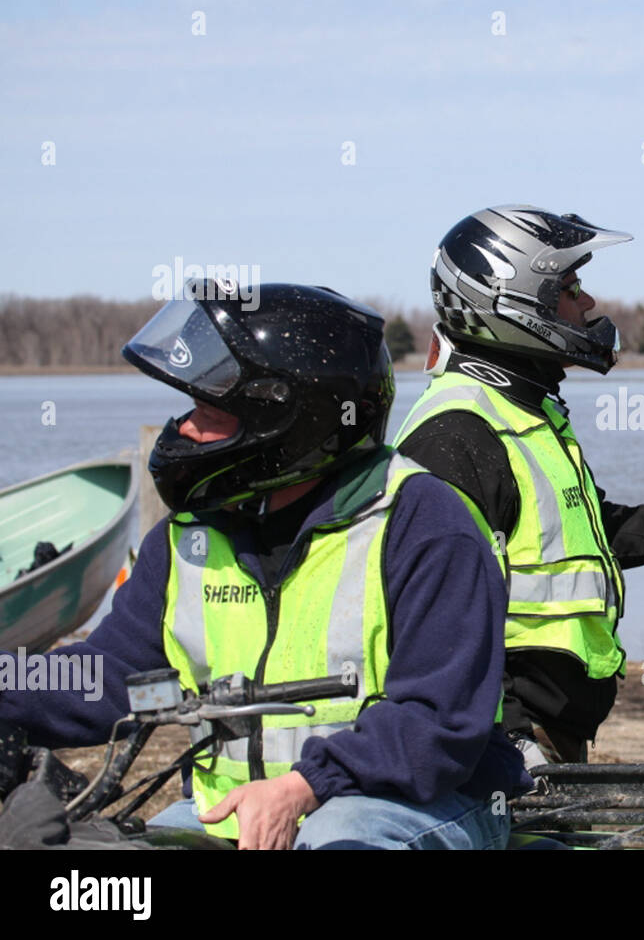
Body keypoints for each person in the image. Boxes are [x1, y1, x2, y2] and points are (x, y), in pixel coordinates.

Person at [0, 280, 530, 848]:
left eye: (207, 411)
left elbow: (438, 721)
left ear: (288, 421)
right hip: (233, 813)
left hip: (417, 806)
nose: (184, 429)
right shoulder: (188, 539)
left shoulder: (423, 524)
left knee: (337, 835)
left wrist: (304, 787)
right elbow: (108, 677)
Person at [395, 206, 644, 766]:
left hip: (552, 736)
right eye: (569, 288)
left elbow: (577, 539)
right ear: (513, 304)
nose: (587, 305)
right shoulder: (457, 432)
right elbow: (436, 616)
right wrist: (506, 735)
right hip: (506, 745)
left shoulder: (525, 410)